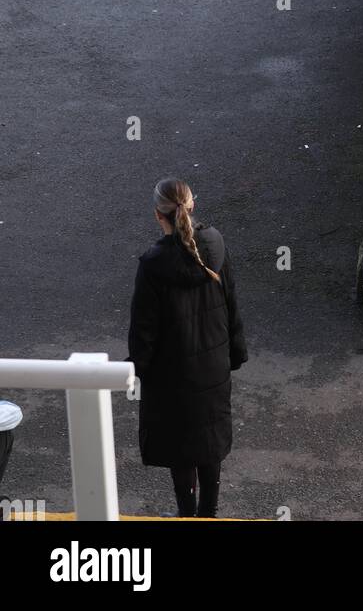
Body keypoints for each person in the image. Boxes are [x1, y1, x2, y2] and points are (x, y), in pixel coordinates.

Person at [128, 179, 247, 519]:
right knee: (209, 440)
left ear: (158, 215)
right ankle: (210, 512)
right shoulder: (216, 245)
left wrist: (136, 369)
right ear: (192, 206)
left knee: (181, 447)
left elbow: (144, 332)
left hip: (172, 376)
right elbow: (231, 304)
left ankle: (186, 513)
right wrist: (234, 354)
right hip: (213, 364)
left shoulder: (153, 265)